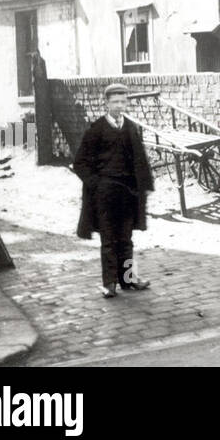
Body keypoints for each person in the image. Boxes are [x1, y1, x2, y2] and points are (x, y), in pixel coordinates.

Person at [74, 83, 155, 298]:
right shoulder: (96, 129)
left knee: (126, 238)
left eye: (123, 101)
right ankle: (109, 283)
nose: (120, 106)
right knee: (109, 239)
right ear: (106, 103)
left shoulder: (130, 127)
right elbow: (79, 162)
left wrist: (145, 186)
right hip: (105, 193)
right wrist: (96, 184)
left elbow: (140, 159)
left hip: (127, 193)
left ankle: (128, 279)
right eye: (115, 102)